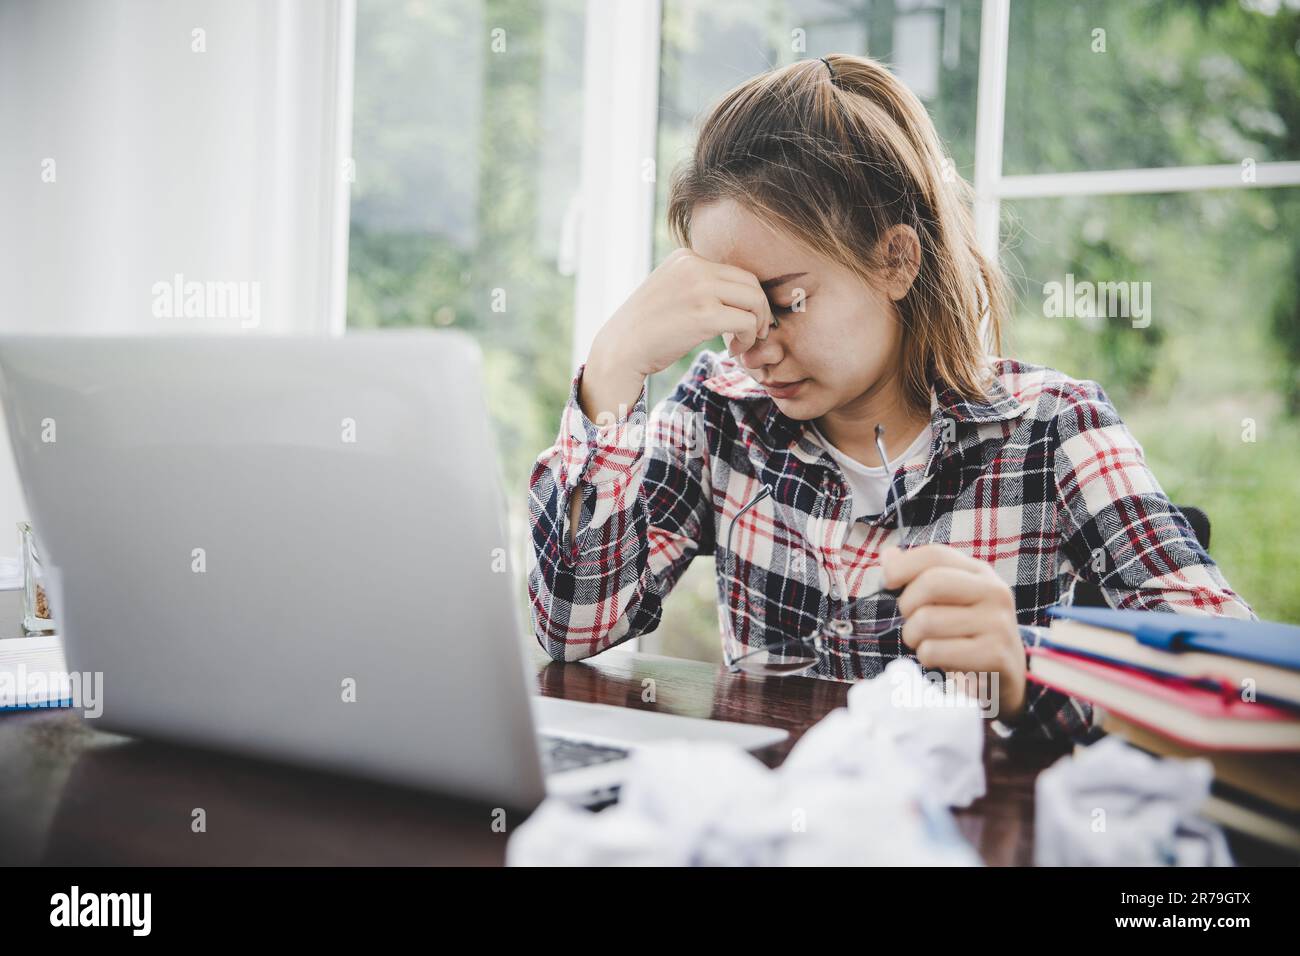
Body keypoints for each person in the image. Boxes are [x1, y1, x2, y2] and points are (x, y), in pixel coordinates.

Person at [526, 53, 1254, 741]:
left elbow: (1236, 687)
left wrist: (1029, 674)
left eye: (784, 301)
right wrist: (614, 368)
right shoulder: (720, 414)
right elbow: (571, 630)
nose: (752, 348)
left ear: (895, 260)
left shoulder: (1054, 428)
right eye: (730, 311)